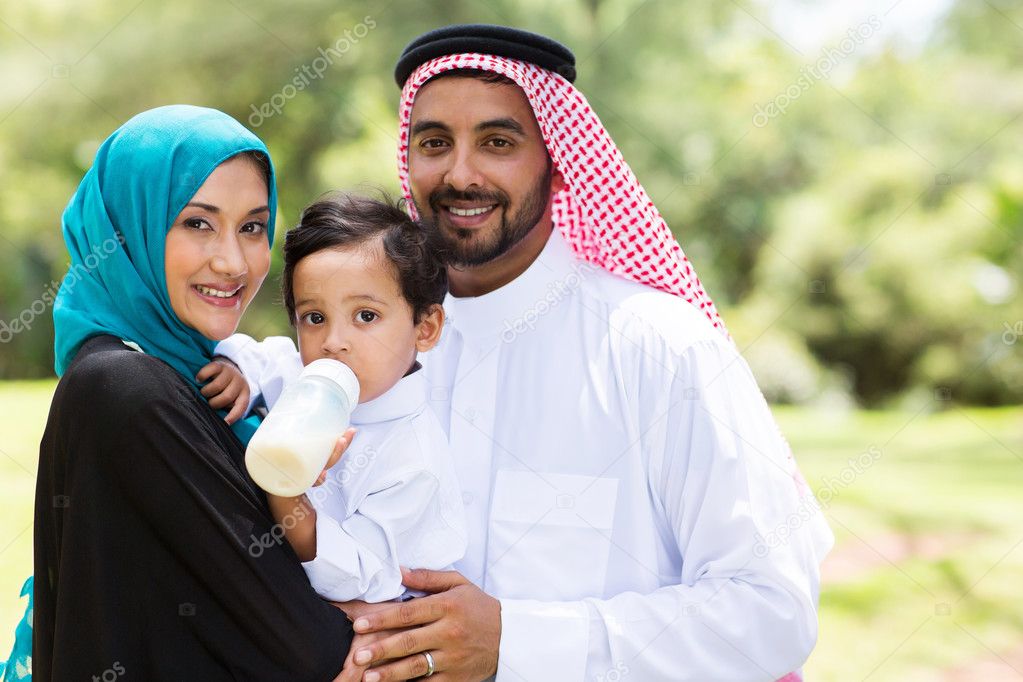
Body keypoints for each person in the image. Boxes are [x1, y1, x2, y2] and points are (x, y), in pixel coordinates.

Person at [335, 25, 834, 682]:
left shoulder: (662, 349)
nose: (459, 174)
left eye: (497, 142)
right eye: (434, 144)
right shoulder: (368, 351)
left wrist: (515, 641)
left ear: (557, 157)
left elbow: (771, 612)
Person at [32, 105, 354, 681]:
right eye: (197, 223)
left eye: (253, 226)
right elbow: (311, 650)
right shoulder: (127, 388)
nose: (234, 262)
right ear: (126, 229)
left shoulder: (204, 377)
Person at [209, 193, 467, 604]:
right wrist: (235, 370)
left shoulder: (413, 462)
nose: (333, 342)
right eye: (315, 318)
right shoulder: (294, 370)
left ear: (426, 327)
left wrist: (288, 489)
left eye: (366, 316)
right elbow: (251, 353)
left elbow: (351, 577)